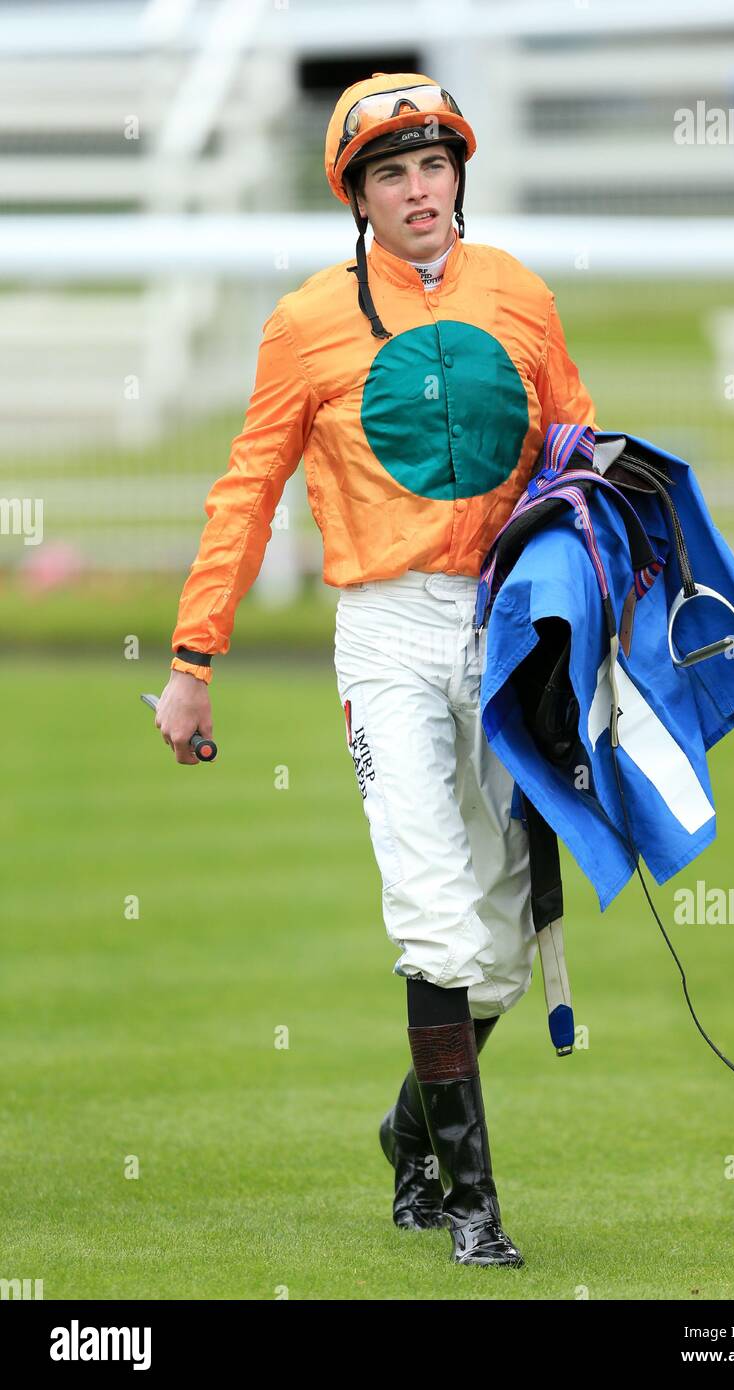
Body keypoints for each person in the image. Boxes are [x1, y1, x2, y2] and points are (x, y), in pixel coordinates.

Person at [155, 72, 597, 1268]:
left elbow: (574, 463)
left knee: (501, 945)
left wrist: (611, 616)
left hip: (504, 629)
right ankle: (472, 1206)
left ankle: (410, 1132)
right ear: (355, 195)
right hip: (385, 635)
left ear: (461, 173)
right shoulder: (305, 321)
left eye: (434, 165)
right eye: (390, 172)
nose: (419, 190)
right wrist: (194, 656)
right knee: (433, 913)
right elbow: (245, 492)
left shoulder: (520, 295)